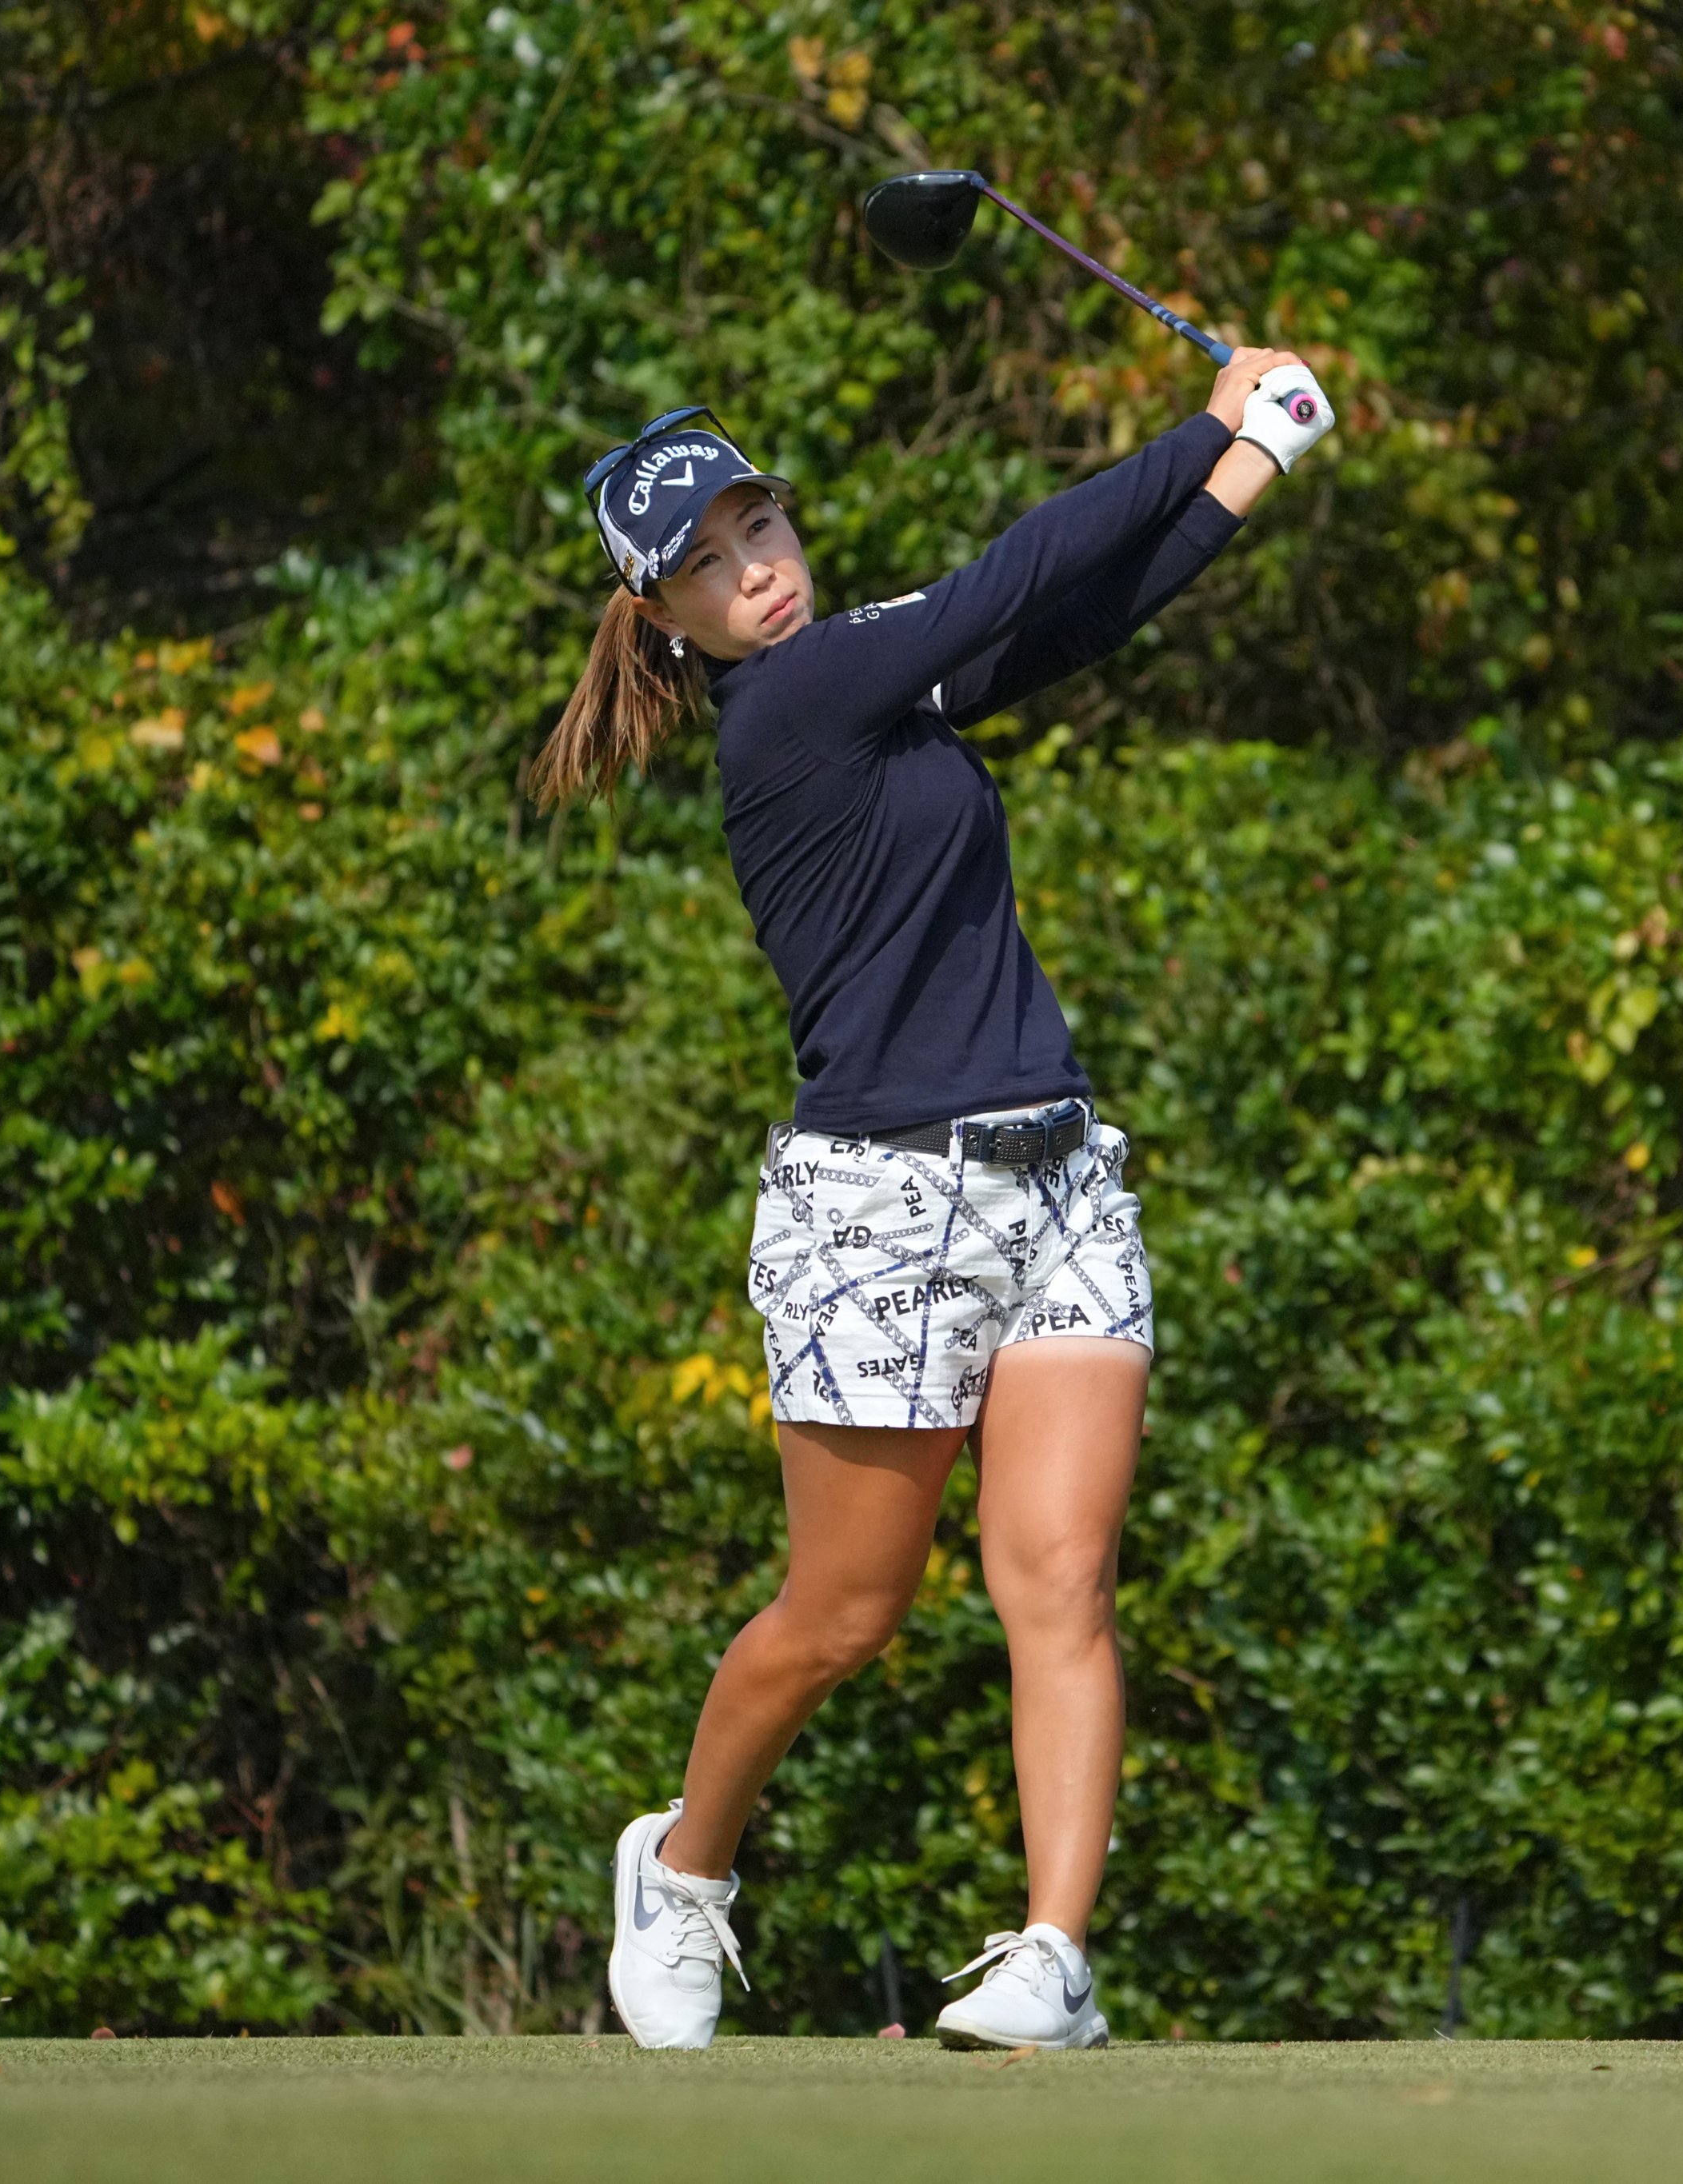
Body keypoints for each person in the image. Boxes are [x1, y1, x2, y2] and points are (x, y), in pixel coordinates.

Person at [529, 349, 1336, 2050]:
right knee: (845, 1614)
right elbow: (1014, 572)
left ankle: (1054, 1958)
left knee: (1060, 1578)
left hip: (1058, 1181)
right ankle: (681, 1867)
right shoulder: (793, 707)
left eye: (758, 525)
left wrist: (1255, 460)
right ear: (665, 619)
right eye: (705, 565)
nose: (755, 567)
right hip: (880, 1209)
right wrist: (1208, 417)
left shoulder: (875, 691)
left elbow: (1078, 622)